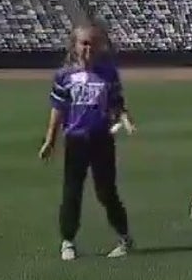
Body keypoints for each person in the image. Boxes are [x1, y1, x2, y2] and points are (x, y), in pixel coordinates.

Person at [40, 23, 135, 261]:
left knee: (106, 192)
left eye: (92, 43)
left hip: (102, 140)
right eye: (83, 43)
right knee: (72, 192)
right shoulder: (64, 76)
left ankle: (125, 238)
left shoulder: (108, 73)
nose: (88, 48)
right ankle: (68, 241)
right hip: (76, 140)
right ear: (74, 45)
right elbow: (58, 109)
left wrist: (125, 119)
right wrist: (50, 140)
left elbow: (116, 103)